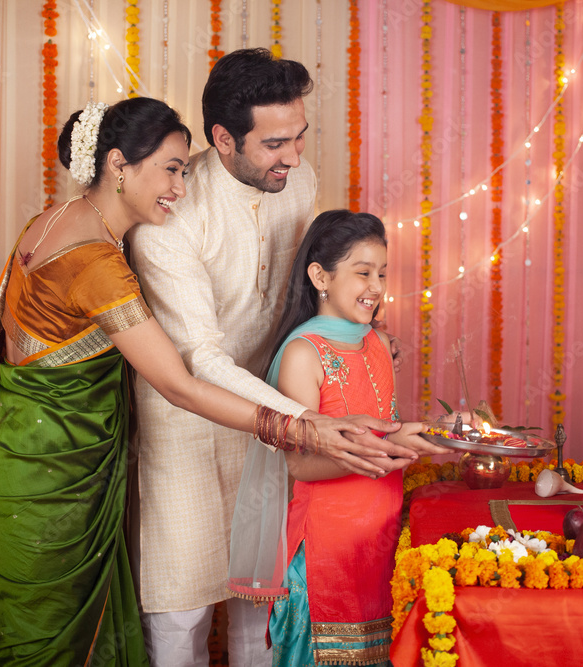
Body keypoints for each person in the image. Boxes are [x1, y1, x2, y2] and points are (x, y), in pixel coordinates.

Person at [0, 97, 393, 667]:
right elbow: (181, 385)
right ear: (119, 165)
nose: (181, 186)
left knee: (39, 634)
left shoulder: (53, 220)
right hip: (52, 480)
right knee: (42, 642)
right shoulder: (98, 264)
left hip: (29, 458)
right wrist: (303, 426)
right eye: (172, 169)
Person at [127, 49, 432, 666]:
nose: (293, 157)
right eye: (274, 144)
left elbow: (309, 288)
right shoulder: (171, 217)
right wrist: (310, 424)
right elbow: (200, 359)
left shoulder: (301, 182)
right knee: (181, 606)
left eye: (299, 137)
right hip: (187, 424)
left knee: (262, 604)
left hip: (278, 420)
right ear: (222, 139)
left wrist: (363, 330)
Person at [231, 210, 428, 666]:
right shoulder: (303, 353)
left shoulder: (377, 343)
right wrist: (389, 450)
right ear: (320, 275)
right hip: (325, 551)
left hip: (380, 541)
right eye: (363, 273)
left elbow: (386, 425)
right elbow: (300, 465)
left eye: (381, 273)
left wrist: (426, 436)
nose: (376, 287)